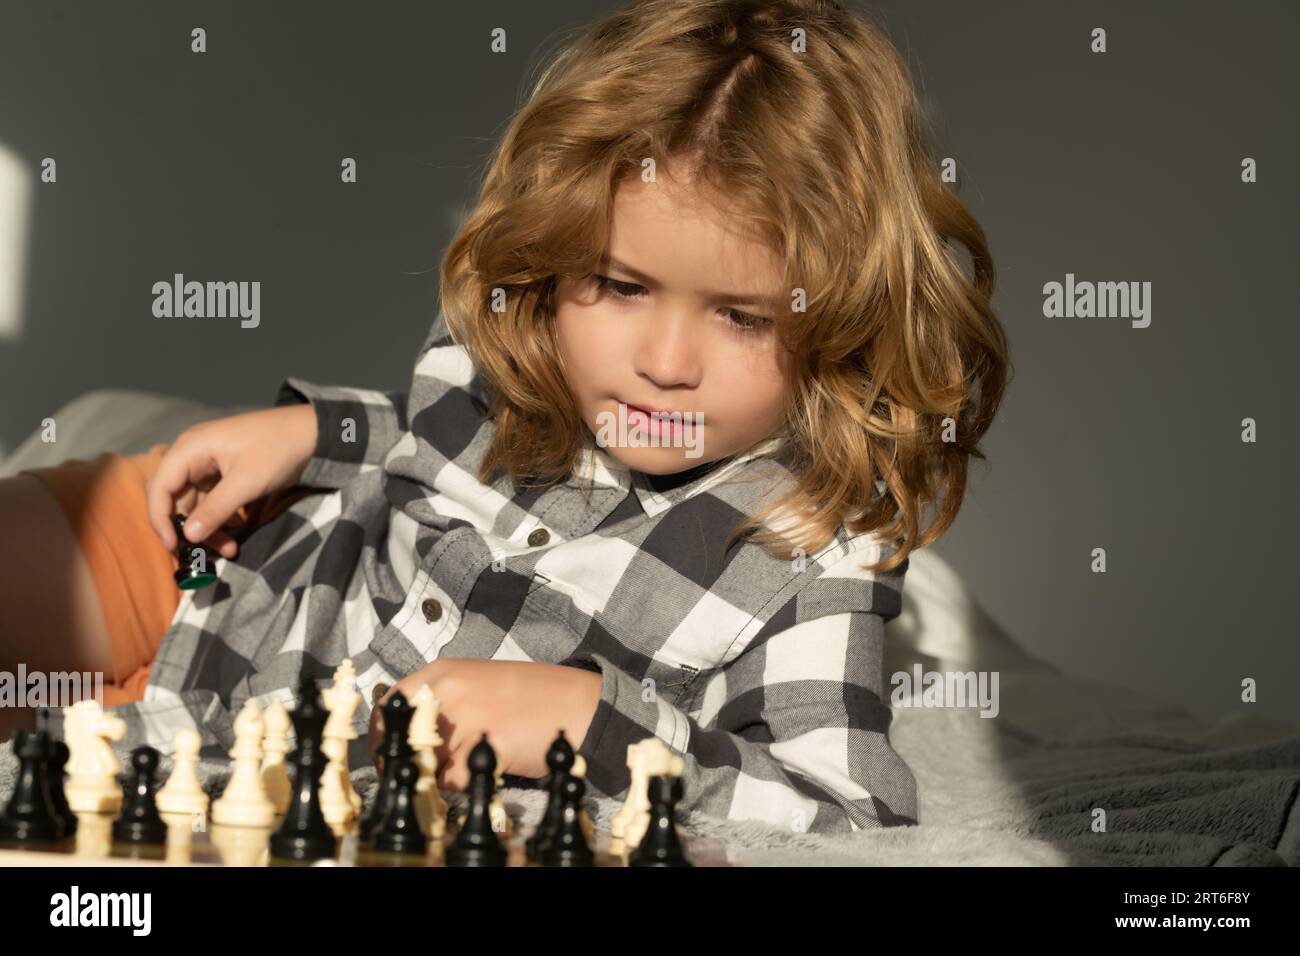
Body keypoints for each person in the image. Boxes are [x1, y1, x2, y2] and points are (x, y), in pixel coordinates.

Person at [0, 0, 1010, 832]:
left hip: (271, 768)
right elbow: (430, 429)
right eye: (618, 285)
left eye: (741, 316)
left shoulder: (810, 559)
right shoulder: (518, 348)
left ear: (838, 319)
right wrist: (323, 434)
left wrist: (594, 721)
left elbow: (847, 817)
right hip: (224, 578)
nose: (662, 364)